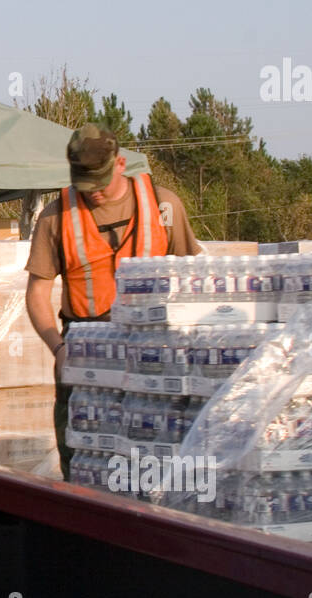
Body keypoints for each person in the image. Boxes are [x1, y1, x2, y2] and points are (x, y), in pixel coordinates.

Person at [25, 124, 203, 479]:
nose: (93, 193)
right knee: (82, 460)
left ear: (121, 164)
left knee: (157, 459)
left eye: (100, 184)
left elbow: (192, 280)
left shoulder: (164, 205)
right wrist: (58, 349)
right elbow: (37, 294)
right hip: (85, 352)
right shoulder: (55, 217)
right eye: (84, 184)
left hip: (154, 353)